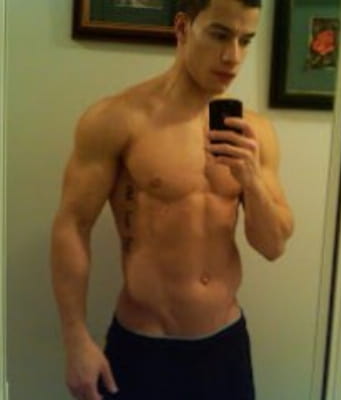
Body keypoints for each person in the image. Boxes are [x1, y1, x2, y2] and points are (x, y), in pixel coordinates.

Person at [50, 0, 294, 399]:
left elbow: (273, 246)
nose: (233, 57)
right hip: (145, 349)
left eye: (245, 40)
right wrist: (75, 339)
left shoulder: (255, 133)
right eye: (219, 35)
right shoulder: (117, 119)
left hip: (225, 346)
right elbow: (72, 226)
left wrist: (250, 178)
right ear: (182, 28)